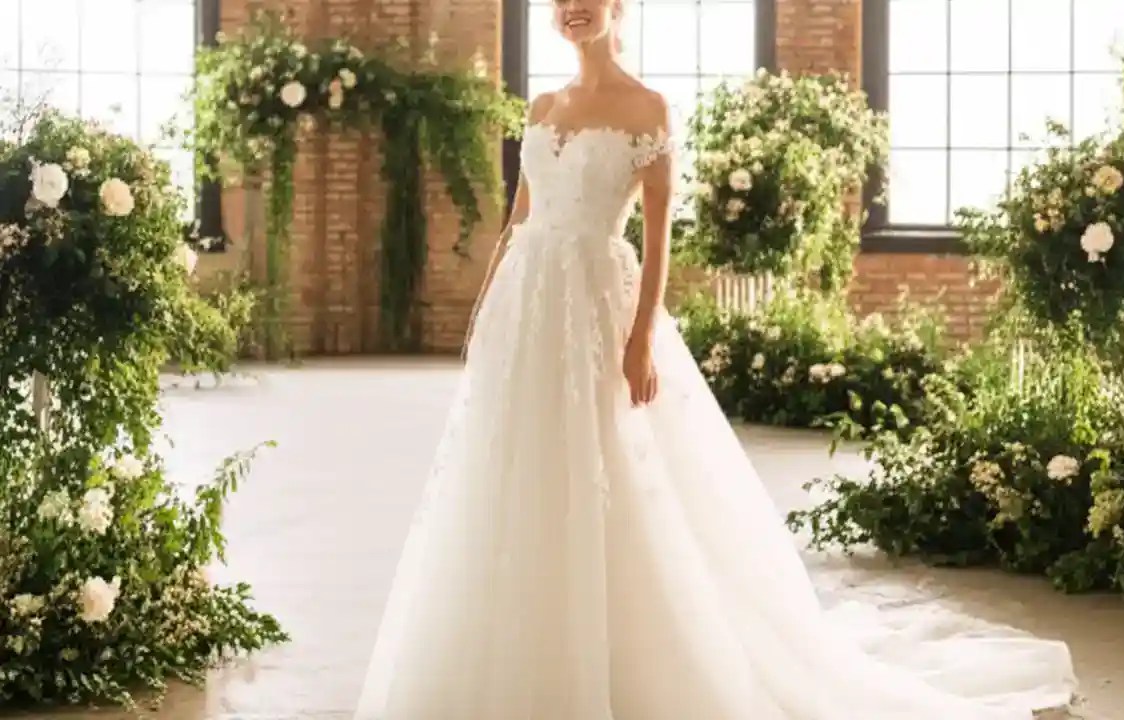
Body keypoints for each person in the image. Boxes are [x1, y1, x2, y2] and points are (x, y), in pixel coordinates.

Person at [355, 0, 1078, 716]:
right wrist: (485, 308)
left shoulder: (648, 108)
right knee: (520, 460)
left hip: (597, 302)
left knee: (606, 456)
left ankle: (617, 649)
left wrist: (641, 337)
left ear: (616, 6)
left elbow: (659, 238)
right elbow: (520, 216)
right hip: (529, 305)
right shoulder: (543, 106)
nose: (573, 8)